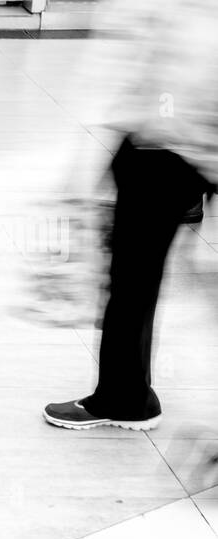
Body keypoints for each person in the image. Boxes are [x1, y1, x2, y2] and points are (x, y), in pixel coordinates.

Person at [44, 0, 218, 431]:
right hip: (187, 142)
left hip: (163, 149)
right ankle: (128, 392)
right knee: (139, 279)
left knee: (132, 279)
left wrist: (80, 169)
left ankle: (125, 398)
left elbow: (122, 74)